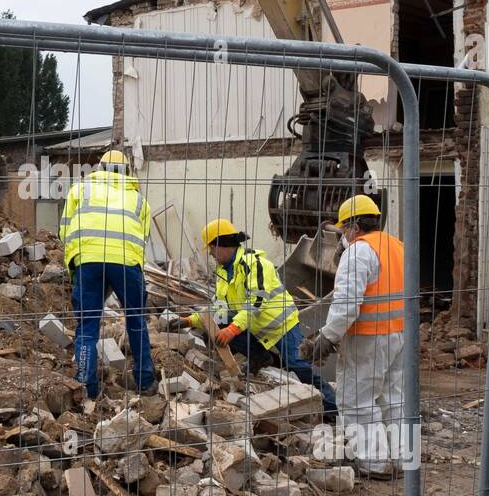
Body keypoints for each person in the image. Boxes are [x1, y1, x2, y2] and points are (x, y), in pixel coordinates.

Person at [175, 218, 337, 420]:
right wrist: (191, 321)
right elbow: (219, 309)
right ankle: (260, 356)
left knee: (298, 366)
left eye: (211, 248)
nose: (210, 254)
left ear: (223, 245)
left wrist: (233, 330)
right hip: (255, 326)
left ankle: (334, 409)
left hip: (280, 326)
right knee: (221, 324)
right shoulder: (224, 273)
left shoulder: (256, 264)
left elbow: (256, 303)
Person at [300, 195, 405, 478]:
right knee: (392, 397)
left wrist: (327, 337)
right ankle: (402, 458)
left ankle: (374, 463)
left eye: (344, 229)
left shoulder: (358, 252)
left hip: (367, 338)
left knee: (357, 400)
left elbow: (347, 304)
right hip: (398, 334)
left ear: (355, 226)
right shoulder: (396, 246)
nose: (343, 236)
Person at [59, 149, 154, 405]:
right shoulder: (138, 200)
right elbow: (141, 239)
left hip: (88, 261)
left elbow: (65, 231)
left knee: (88, 327)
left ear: (99, 169)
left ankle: (85, 385)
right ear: (127, 171)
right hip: (125, 263)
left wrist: (75, 268)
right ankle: (145, 382)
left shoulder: (80, 191)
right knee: (135, 321)